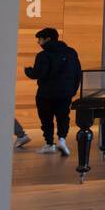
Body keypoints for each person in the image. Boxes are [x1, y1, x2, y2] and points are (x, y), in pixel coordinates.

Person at [23, 27, 82, 156]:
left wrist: (28, 71)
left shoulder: (43, 55)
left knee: (46, 119)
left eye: (40, 39)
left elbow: (39, 73)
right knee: (63, 117)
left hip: (46, 94)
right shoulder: (71, 52)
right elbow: (78, 73)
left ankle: (49, 144)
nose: (38, 42)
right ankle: (62, 140)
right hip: (65, 93)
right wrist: (72, 90)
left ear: (48, 39)